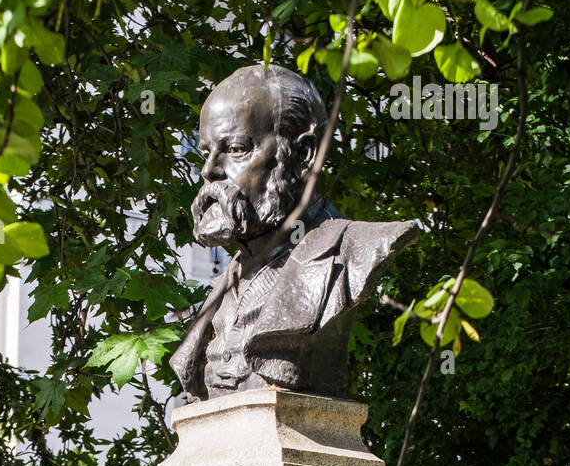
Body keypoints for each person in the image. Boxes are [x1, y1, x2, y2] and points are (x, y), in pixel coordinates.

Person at [171, 64, 418, 400]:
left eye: (237, 149)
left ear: (303, 153)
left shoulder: (354, 250)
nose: (209, 171)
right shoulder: (224, 286)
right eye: (205, 152)